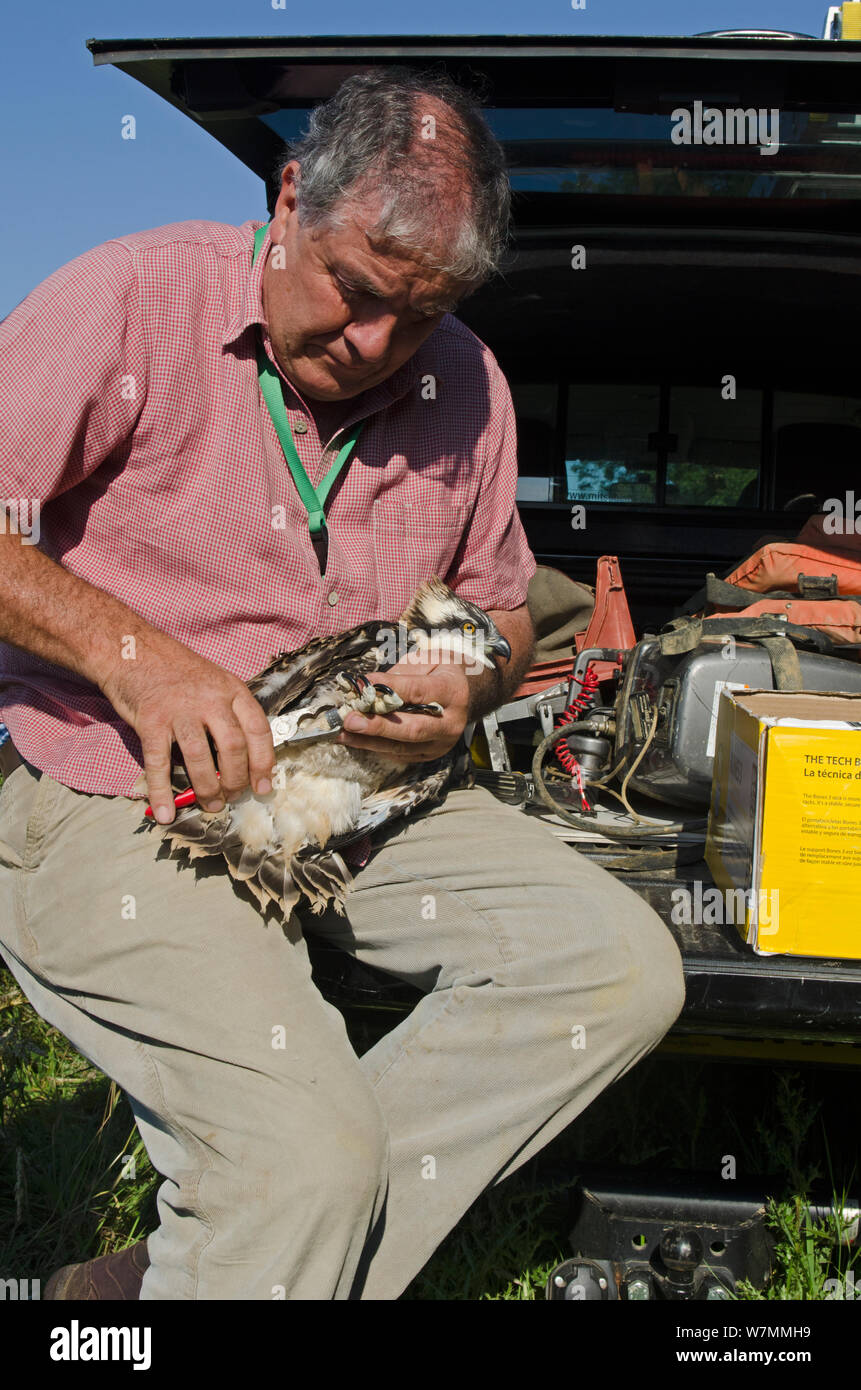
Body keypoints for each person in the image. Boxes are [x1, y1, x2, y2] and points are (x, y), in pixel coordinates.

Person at [0, 69, 685, 1300]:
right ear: (289, 196)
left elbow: (503, 609)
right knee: (306, 1159)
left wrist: (465, 691)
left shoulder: (469, 383)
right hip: (115, 785)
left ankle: (210, 1266)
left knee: (618, 970)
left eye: (416, 318)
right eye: (356, 293)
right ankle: (268, 1224)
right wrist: (137, 660)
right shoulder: (128, 298)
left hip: (361, 799)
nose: (374, 345)